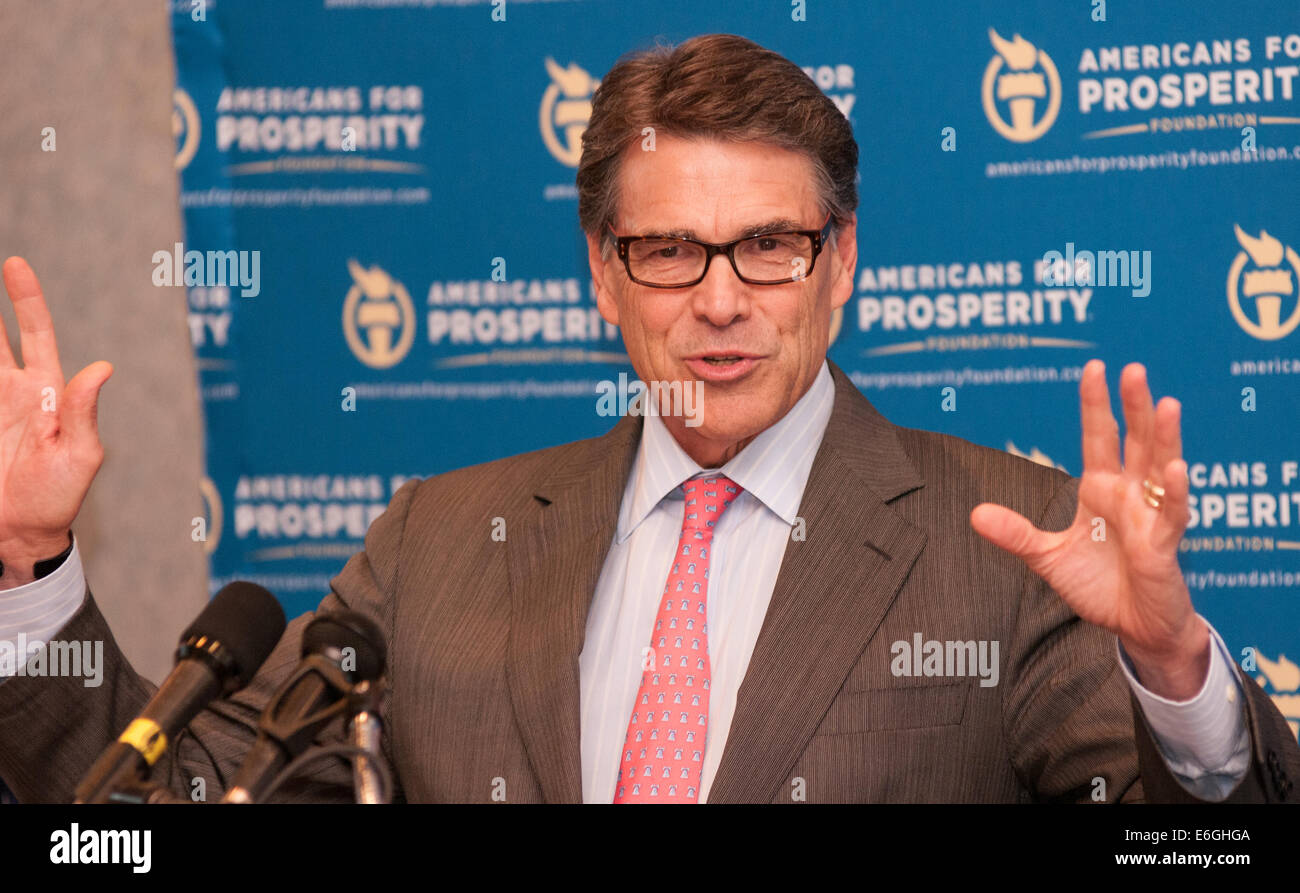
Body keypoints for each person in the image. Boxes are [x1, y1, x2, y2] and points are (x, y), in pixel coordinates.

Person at [0, 33, 1296, 804]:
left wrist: (1178, 680)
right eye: (670, 249)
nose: (720, 301)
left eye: (769, 246)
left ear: (840, 263)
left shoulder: (1016, 546)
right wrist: (33, 575)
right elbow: (170, 800)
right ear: (602, 273)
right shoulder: (442, 536)